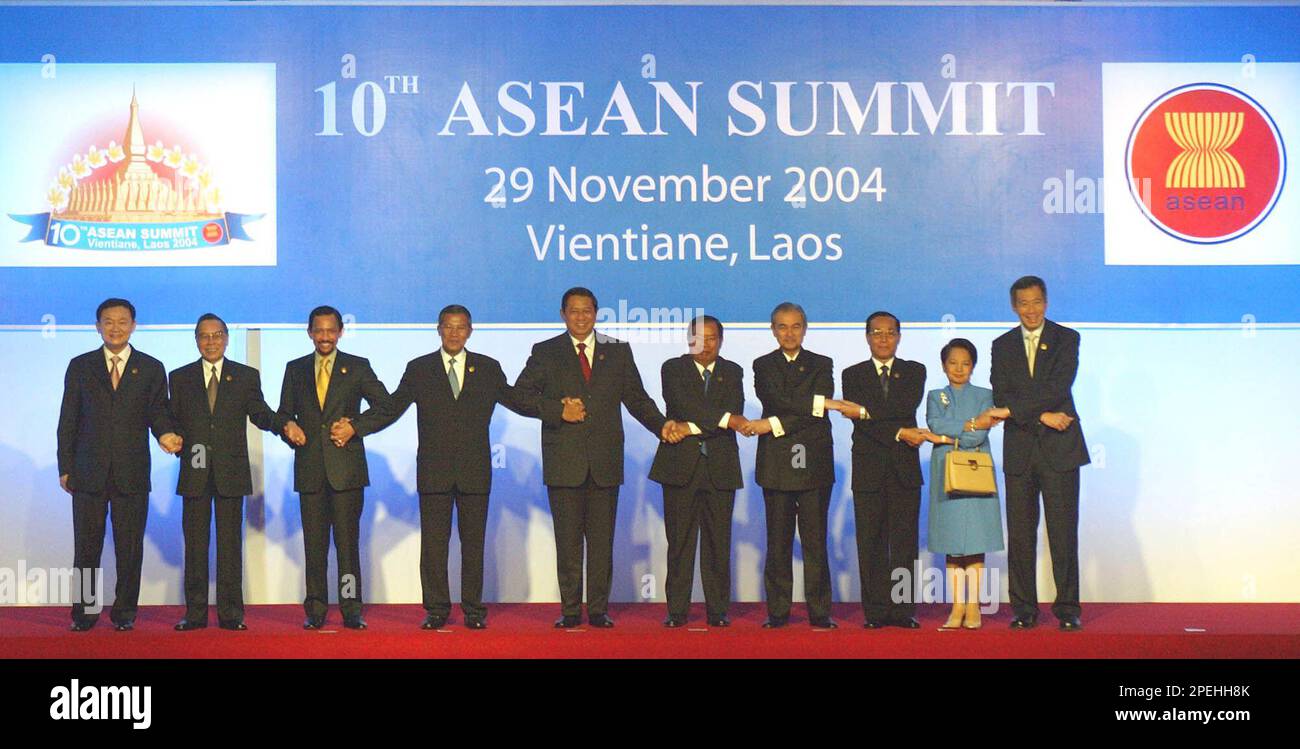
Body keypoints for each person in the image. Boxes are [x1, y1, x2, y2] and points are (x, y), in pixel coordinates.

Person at [512, 287, 682, 628]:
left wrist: (662, 425)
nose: (580, 317)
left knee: (602, 544)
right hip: (565, 463)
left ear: (597, 313)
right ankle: (571, 610)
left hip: (605, 463)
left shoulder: (616, 352)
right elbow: (519, 396)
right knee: (568, 543)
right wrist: (557, 410)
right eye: (573, 311)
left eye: (587, 310)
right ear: (563, 314)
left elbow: (636, 398)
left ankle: (599, 610)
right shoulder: (546, 352)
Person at [351, 305, 528, 630]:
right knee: (434, 545)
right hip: (433, 473)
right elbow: (391, 408)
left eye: (461, 327)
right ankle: (436, 610)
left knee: (474, 545)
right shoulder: (420, 369)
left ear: (470, 331)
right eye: (448, 326)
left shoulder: (488, 368)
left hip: (475, 473)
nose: (455, 333)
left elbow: (518, 400)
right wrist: (356, 426)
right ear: (439, 329)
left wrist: (559, 409)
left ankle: (474, 610)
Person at [169, 313, 301, 632]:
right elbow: (171, 418)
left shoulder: (244, 376)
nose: (211, 342)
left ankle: (231, 614)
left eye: (217, 335)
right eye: (204, 336)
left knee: (230, 547)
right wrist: (168, 435)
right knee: (196, 547)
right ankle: (195, 614)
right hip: (195, 472)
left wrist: (285, 425)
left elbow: (259, 413)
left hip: (231, 473)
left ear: (226, 338)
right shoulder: (180, 377)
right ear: (196, 340)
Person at [57, 298, 182, 631]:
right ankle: (83, 614)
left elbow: (158, 412)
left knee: (130, 550)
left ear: (133, 325)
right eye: (108, 322)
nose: (115, 327)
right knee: (86, 549)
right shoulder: (80, 366)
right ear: (98, 326)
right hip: (87, 472)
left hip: (132, 473)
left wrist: (167, 434)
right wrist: (65, 466)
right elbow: (68, 418)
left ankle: (125, 613)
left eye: (122, 321)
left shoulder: (152, 367)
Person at [277, 305, 390, 630]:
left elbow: (385, 406)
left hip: (346, 472)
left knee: (347, 544)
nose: (325, 337)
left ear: (340, 332)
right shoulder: (295, 369)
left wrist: (355, 425)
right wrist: (288, 427)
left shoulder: (357, 367)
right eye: (319, 330)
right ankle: (315, 610)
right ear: (309, 332)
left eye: (331, 330)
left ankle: (351, 609)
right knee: (314, 546)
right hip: (310, 470)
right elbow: (284, 413)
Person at [985, 276, 1089, 631]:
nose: (1031, 310)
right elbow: (1000, 396)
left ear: (1046, 302)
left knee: (1063, 534)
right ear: (1014, 306)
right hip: (1020, 452)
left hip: (1060, 451)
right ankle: (1024, 609)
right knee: (1021, 535)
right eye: (1024, 304)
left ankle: (1068, 609)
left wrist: (1018, 409)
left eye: (1037, 302)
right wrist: (1042, 414)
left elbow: (1059, 386)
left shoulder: (1066, 338)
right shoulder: (1002, 345)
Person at [648, 315, 748, 628]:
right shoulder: (672, 368)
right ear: (688, 339)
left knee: (719, 543)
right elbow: (683, 402)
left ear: (721, 340)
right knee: (679, 543)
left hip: (720, 468)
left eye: (712, 338)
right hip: (679, 468)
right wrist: (724, 421)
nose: (705, 345)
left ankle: (718, 610)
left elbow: (735, 408)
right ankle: (677, 611)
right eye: (698, 338)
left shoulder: (733, 371)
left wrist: (689, 427)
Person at [834, 311, 929, 629]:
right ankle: (875, 612)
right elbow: (871, 425)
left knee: (904, 544)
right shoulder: (852, 374)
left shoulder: (915, 371)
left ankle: (903, 611)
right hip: (869, 470)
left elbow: (902, 410)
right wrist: (899, 432)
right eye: (877, 332)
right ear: (867, 336)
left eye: (890, 332)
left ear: (899, 336)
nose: (884, 338)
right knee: (871, 542)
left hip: (904, 470)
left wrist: (864, 411)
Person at [747, 302, 838, 629]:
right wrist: (817, 404)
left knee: (815, 543)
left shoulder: (822, 363)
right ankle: (778, 613)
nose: (789, 332)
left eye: (795, 326)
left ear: (805, 328)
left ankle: (820, 613)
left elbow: (818, 408)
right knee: (778, 544)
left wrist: (772, 424)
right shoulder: (762, 365)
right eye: (782, 327)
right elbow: (776, 401)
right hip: (776, 465)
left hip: (814, 466)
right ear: (773, 329)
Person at [923, 338, 1004, 630]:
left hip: (975, 469)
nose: (959, 368)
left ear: (973, 366)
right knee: (952, 543)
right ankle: (957, 607)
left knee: (976, 541)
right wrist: (968, 425)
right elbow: (934, 423)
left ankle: (974, 606)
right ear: (944, 365)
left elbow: (978, 436)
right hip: (946, 470)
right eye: (953, 363)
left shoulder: (985, 395)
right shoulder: (935, 395)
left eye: (965, 363)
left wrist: (950, 436)